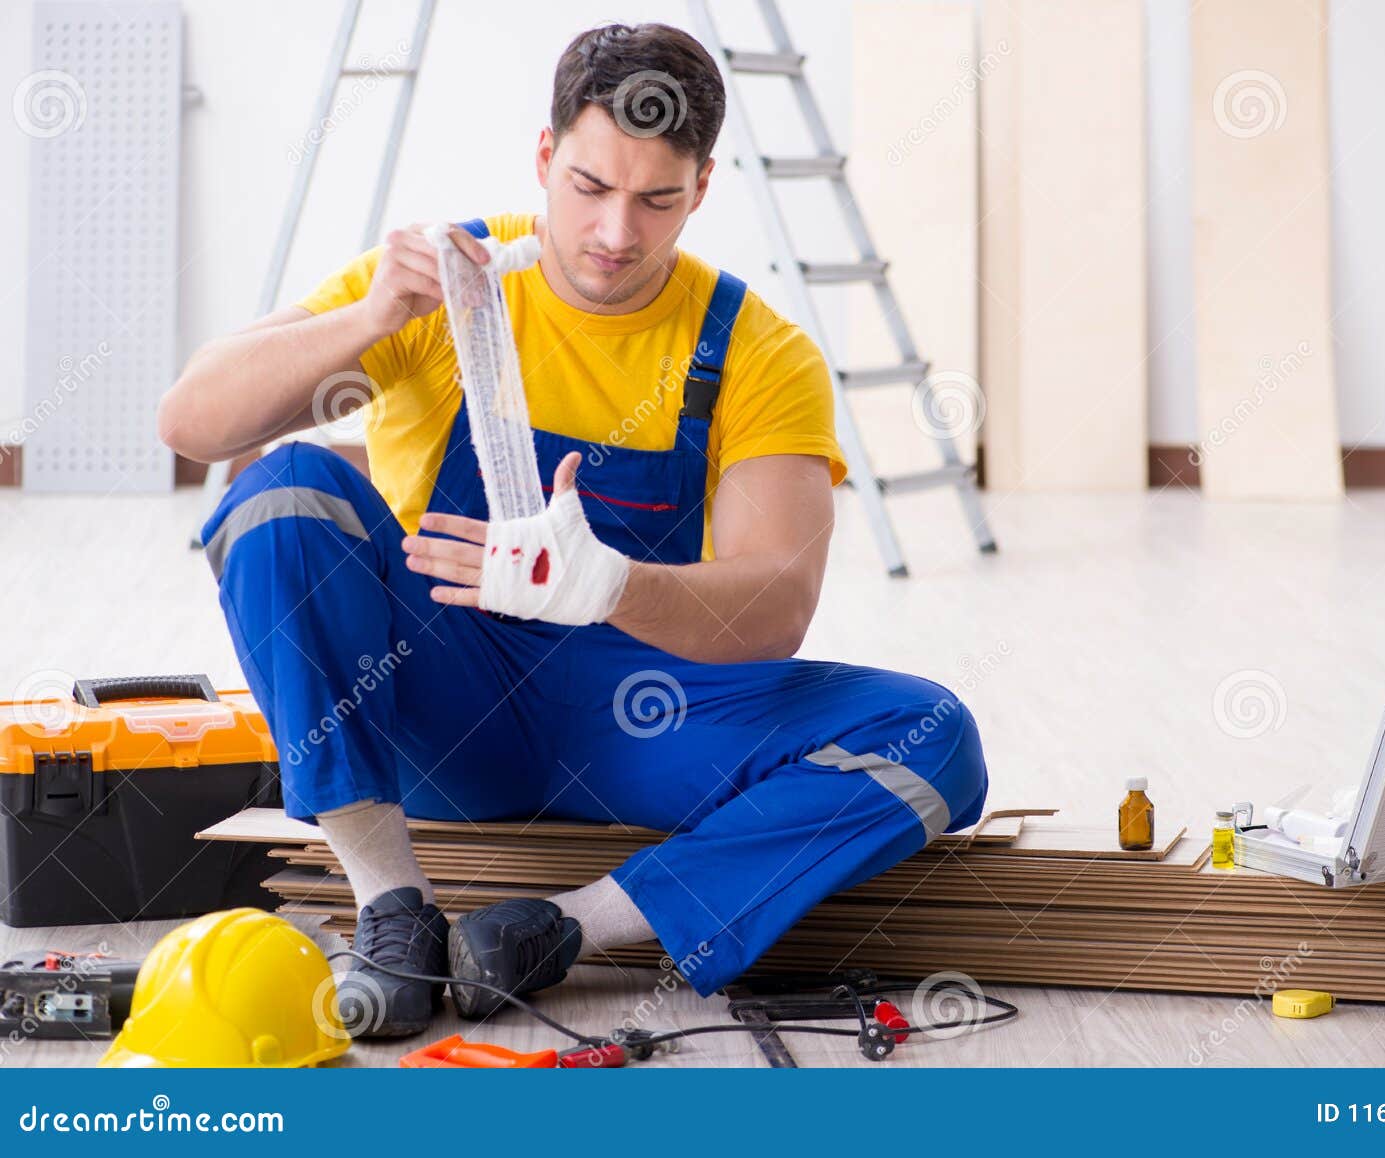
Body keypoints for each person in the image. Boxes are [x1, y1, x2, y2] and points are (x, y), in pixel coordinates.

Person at [158, 21, 988, 1037]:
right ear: (546, 157)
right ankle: (391, 907)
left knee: (932, 735)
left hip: (639, 712)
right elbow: (192, 423)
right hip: (438, 701)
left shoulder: (757, 352)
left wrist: (612, 586)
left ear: (703, 189)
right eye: (591, 188)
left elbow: (775, 610)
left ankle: (555, 931)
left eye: (656, 201)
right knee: (283, 487)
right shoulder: (443, 283)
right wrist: (369, 316)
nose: (614, 234)